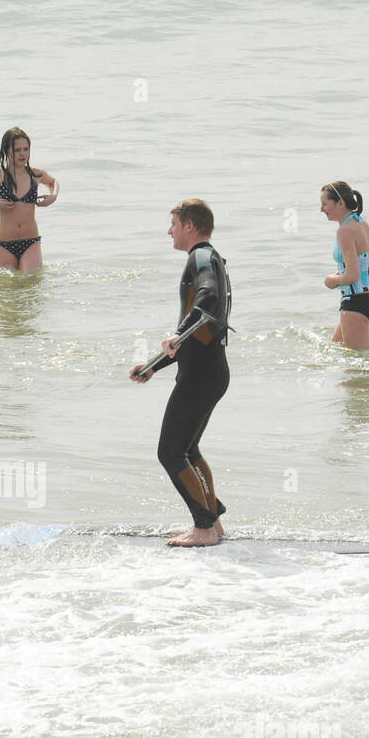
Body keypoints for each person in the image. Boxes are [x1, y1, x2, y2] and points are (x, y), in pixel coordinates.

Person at [129, 199, 232, 547]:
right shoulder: (212, 257)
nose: (168, 230)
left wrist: (178, 334)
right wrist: (153, 367)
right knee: (189, 449)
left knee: (171, 452)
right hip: (210, 369)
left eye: (172, 223)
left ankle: (203, 528)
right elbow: (197, 335)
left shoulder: (200, 257)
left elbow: (208, 296)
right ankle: (213, 522)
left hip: (202, 374)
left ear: (190, 226)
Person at [0, 127, 59, 270]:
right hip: (4, 244)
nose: (23, 154)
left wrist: (53, 196)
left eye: (26, 149)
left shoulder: (36, 174)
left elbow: (53, 182)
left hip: (31, 241)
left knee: (30, 283)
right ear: (7, 151)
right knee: (7, 289)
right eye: (17, 150)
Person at [321, 181, 369, 351]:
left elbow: (353, 275)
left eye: (325, 204)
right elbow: (368, 263)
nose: (322, 209)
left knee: (359, 370)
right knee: (336, 348)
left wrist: (333, 280)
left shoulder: (345, 231)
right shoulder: (362, 224)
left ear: (340, 203)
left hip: (356, 301)